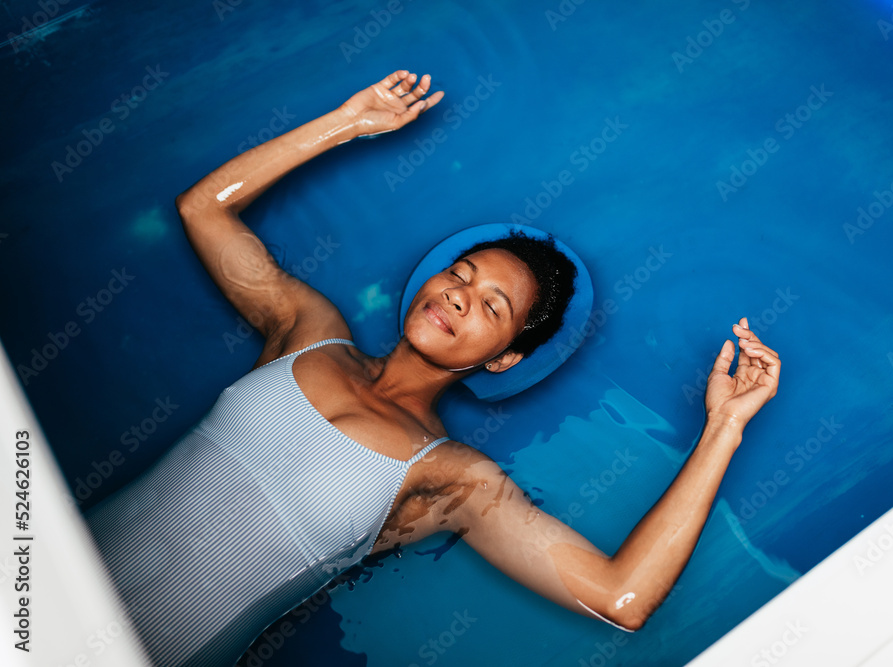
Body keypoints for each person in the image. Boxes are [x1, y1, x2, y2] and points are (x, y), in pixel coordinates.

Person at [83, 70, 781, 667]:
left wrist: (724, 425)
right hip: (34, 563)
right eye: (460, 272)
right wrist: (347, 123)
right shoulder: (308, 331)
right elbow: (204, 208)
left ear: (502, 357)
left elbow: (620, 596)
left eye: (491, 305)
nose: (457, 292)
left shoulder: (452, 478)